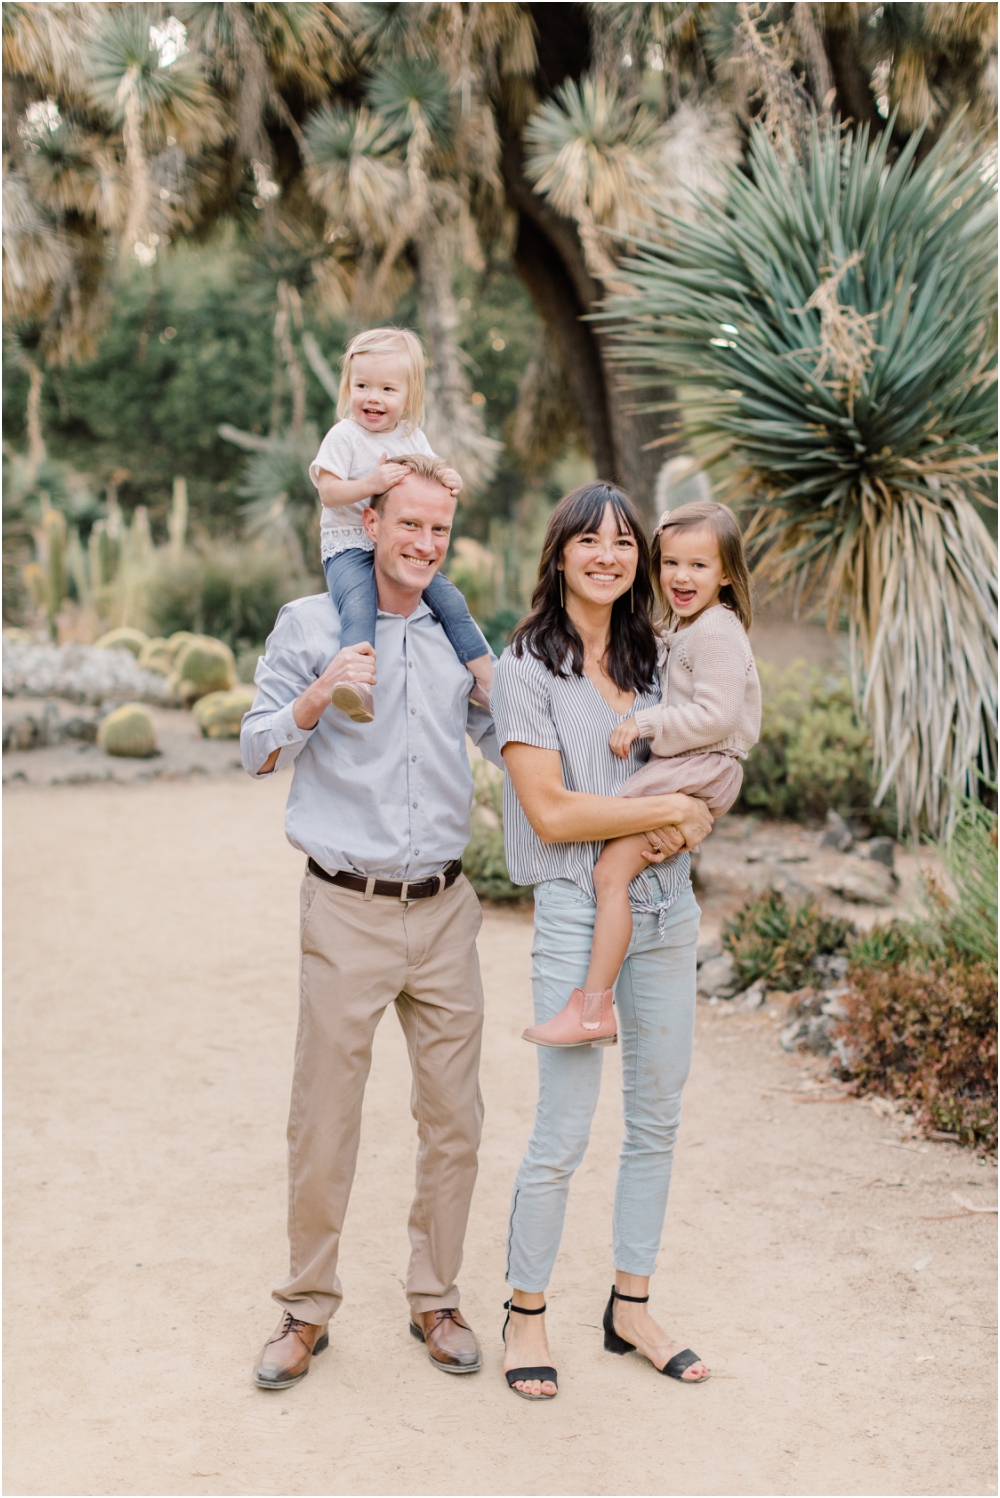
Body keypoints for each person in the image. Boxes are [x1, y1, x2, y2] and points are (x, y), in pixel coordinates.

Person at [241, 452, 501, 1391]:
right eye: (409, 525)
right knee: (324, 1121)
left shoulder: (457, 639)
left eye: (439, 529)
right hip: (344, 909)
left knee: (456, 1120)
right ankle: (306, 1309)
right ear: (372, 526)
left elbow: (511, 741)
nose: (425, 543)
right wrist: (317, 694)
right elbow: (256, 747)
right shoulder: (310, 626)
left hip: (445, 911)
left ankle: (436, 1297)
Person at [490, 482, 714, 1401]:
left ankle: (631, 1304)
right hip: (578, 914)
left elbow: (713, 758)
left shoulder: (663, 658)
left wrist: (693, 817)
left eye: (626, 543)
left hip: (668, 912)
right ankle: (526, 1312)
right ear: (560, 553)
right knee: (562, 1129)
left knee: (657, 1118)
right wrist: (675, 810)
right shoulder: (523, 669)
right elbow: (550, 813)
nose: (610, 556)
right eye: (591, 540)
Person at [526, 499, 760, 1049]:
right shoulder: (685, 628)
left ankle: (591, 1010)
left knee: (609, 873)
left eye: (699, 566)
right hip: (693, 770)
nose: (680, 576)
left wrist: (645, 722)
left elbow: (718, 715)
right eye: (671, 563)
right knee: (622, 855)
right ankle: (595, 1005)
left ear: (726, 573)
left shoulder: (718, 630)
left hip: (700, 766)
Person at [310, 325, 493, 723]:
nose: (373, 398)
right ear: (348, 388)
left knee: (451, 601)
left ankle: (488, 680)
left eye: (388, 390)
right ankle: (358, 687)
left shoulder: (413, 437)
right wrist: (369, 484)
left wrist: (450, 478)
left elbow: (433, 472)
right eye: (362, 386)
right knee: (359, 605)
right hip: (349, 546)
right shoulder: (345, 436)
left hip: (397, 548)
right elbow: (328, 492)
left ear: (409, 397)